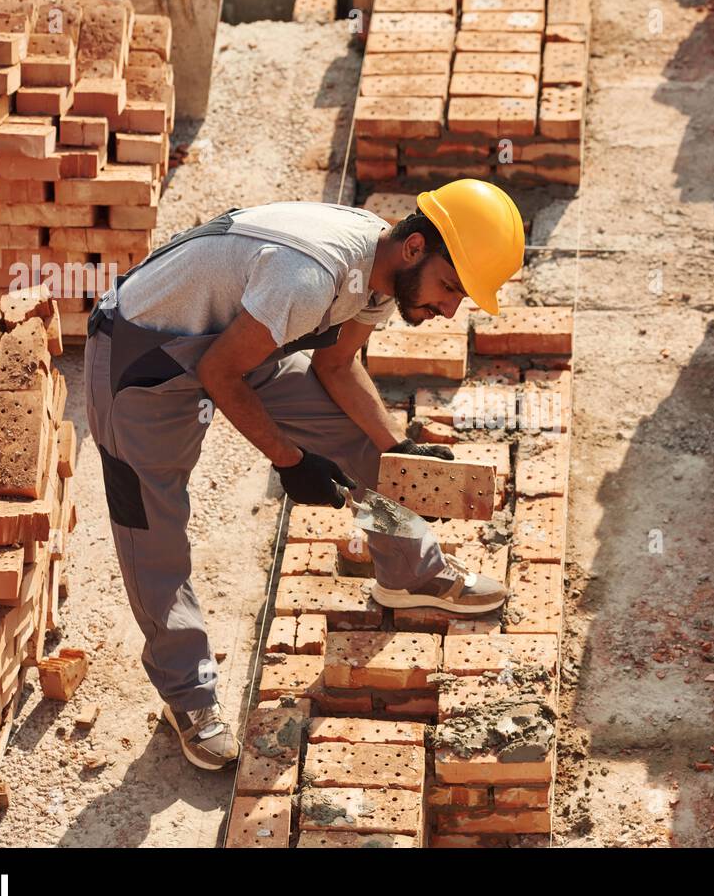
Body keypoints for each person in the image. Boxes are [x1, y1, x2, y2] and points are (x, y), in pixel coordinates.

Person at [83, 179, 525, 769]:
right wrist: (290, 462)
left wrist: (399, 446)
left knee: (361, 444)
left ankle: (410, 571)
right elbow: (219, 374)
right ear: (415, 247)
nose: (449, 308)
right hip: (144, 353)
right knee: (152, 524)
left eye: (460, 296)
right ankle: (188, 697)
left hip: (237, 340)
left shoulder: (381, 272)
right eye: (450, 287)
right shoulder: (311, 276)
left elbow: (337, 366)